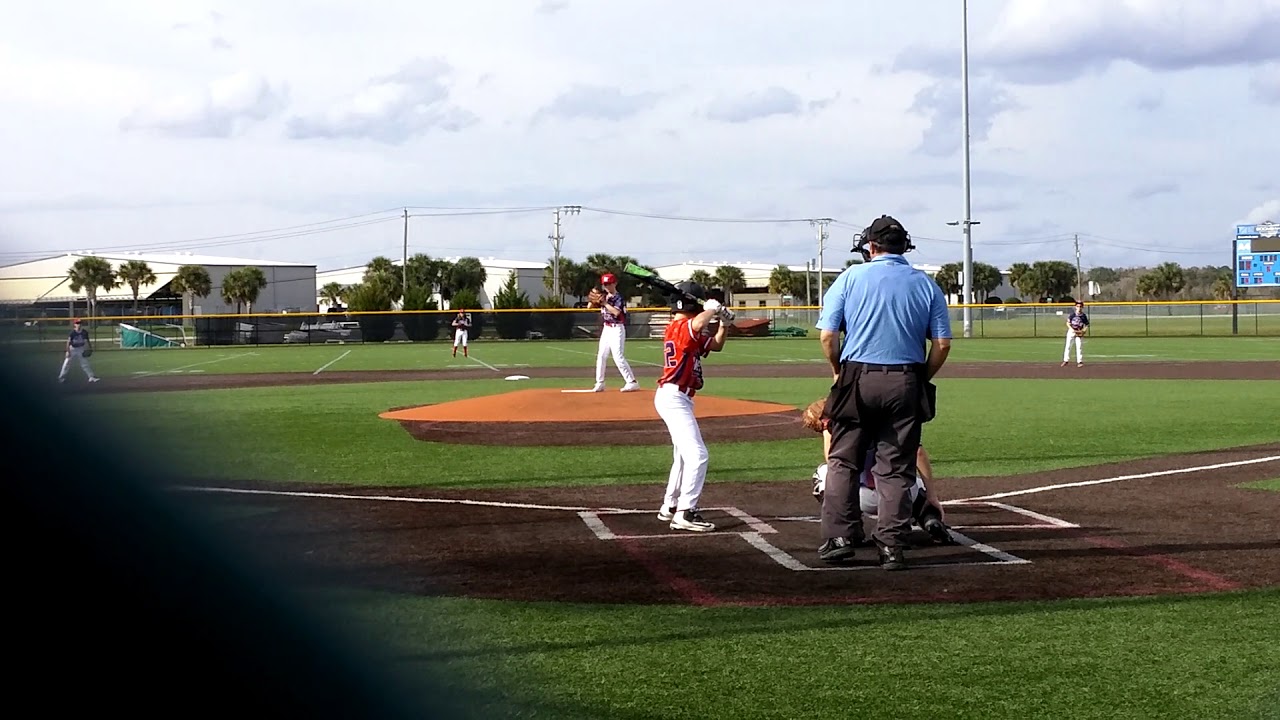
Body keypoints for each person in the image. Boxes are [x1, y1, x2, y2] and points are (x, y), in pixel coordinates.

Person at [814, 214, 952, 570]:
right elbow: (942, 344)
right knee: (896, 467)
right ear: (904, 246)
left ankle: (841, 537)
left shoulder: (850, 277)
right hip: (906, 379)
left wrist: (838, 372)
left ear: (871, 246)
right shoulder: (926, 284)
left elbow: (828, 336)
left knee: (843, 460)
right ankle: (891, 546)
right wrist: (920, 377)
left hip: (857, 376)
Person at [802, 397, 954, 545]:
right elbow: (918, 453)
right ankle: (929, 518)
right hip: (897, 495)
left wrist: (827, 430)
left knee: (823, 473)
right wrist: (932, 496)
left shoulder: (845, 434)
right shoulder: (889, 423)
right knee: (914, 481)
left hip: (859, 497)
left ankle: (848, 531)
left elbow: (834, 462)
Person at [653, 281, 728, 532]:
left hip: (677, 397)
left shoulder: (683, 329)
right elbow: (696, 324)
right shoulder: (681, 327)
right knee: (698, 455)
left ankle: (671, 505)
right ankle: (685, 512)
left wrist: (723, 323)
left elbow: (716, 345)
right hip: (674, 397)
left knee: (684, 457)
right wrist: (712, 309)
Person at [592, 273, 640, 392]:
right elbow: (589, 306)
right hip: (606, 328)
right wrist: (592, 299)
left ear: (615, 283)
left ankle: (632, 382)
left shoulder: (618, 298)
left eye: (609, 284)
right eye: (605, 284)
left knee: (618, 356)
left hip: (617, 328)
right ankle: (600, 382)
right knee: (601, 356)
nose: (607, 286)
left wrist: (604, 303)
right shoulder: (604, 295)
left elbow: (616, 312)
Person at [58, 318, 100, 384]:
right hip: (72, 349)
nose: (79, 325)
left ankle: (91, 377)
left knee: (85, 363)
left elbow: (87, 341)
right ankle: (61, 377)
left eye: (80, 323)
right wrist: (68, 351)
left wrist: (90, 348)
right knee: (67, 363)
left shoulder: (84, 332)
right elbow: (68, 342)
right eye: (77, 323)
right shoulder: (72, 333)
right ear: (74, 324)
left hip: (80, 348)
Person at [1062, 301, 1089, 367]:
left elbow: (1086, 324)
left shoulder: (1083, 316)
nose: (1079, 308)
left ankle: (1079, 361)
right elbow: (1068, 323)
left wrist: (1083, 331)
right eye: (1077, 306)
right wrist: (1072, 329)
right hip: (1071, 332)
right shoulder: (1072, 315)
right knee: (1068, 346)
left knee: (1079, 346)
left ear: (1082, 307)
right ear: (1075, 307)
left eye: (1080, 306)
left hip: (1079, 332)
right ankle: (1065, 360)